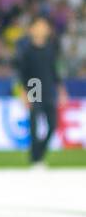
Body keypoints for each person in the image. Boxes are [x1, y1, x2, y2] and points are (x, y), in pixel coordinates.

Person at [15, 16, 66, 168]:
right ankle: (35, 159)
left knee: (53, 126)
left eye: (44, 26)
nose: (41, 29)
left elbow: (55, 72)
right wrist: (24, 94)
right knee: (34, 126)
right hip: (34, 89)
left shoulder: (51, 49)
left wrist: (62, 91)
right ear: (31, 30)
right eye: (38, 26)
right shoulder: (26, 51)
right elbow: (22, 74)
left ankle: (39, 154)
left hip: (49, 90)